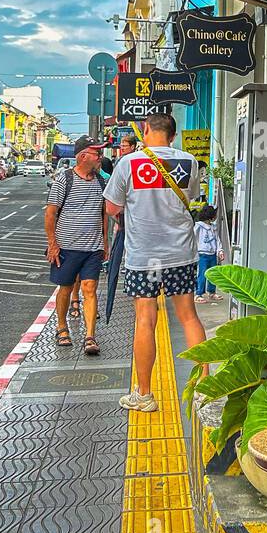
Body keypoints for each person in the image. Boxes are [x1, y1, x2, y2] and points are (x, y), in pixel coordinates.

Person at [104, 112, 206, 413]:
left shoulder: (128, 163)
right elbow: (192, 198)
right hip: (181, 253)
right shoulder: (188, 162)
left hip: (143, 255)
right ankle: (203, 389)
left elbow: (112, 207)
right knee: (189, 317)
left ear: (146, 130)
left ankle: (145, 394)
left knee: (146, 319)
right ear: (173, 136)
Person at [45, 136, 108, 355]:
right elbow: (51, 212)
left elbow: (104, 214)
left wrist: (105, 242)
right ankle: (62, 327)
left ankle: (90, 336)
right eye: (96, 153)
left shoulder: (101, 182)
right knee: (66, 288)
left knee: (90, 288)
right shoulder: (65, 180)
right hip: (67, 247)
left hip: (93, 248)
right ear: (82, 156)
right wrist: (53, 244)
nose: (100, 157)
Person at [194, 204, 225, 303]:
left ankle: (211, 292)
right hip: (202, 254)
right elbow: (193, 238)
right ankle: (198, 294)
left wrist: (220, 250)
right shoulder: (198, 226)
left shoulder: (213, 227)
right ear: (211, 215)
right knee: (202, 274)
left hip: (212, 254)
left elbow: (217, 240)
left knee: (213, 274)